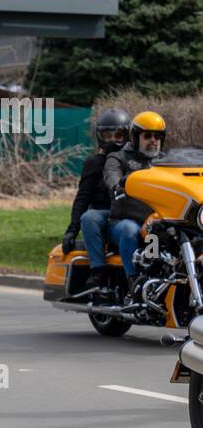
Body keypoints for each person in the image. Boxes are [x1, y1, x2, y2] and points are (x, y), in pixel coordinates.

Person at [62, 109, 130, 298]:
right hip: (104, 214)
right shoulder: (94, 163)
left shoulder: (133, 162)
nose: (113, 141)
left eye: (118, 135)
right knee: (90, 217)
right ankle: (98, 270)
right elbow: (83, 197)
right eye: (107, 136)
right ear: (100, 136)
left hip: (130, 214)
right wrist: (71, 230)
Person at [106, 111, 167, 300]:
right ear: (135, 137)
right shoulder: (118, 158)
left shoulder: (165, 162)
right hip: (122, 222)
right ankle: (135, 281)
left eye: (157, 136)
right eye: (147, 136)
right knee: (129, 229)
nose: (153, 140)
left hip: (156, 222)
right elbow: (112, 181)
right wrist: (121, 184)